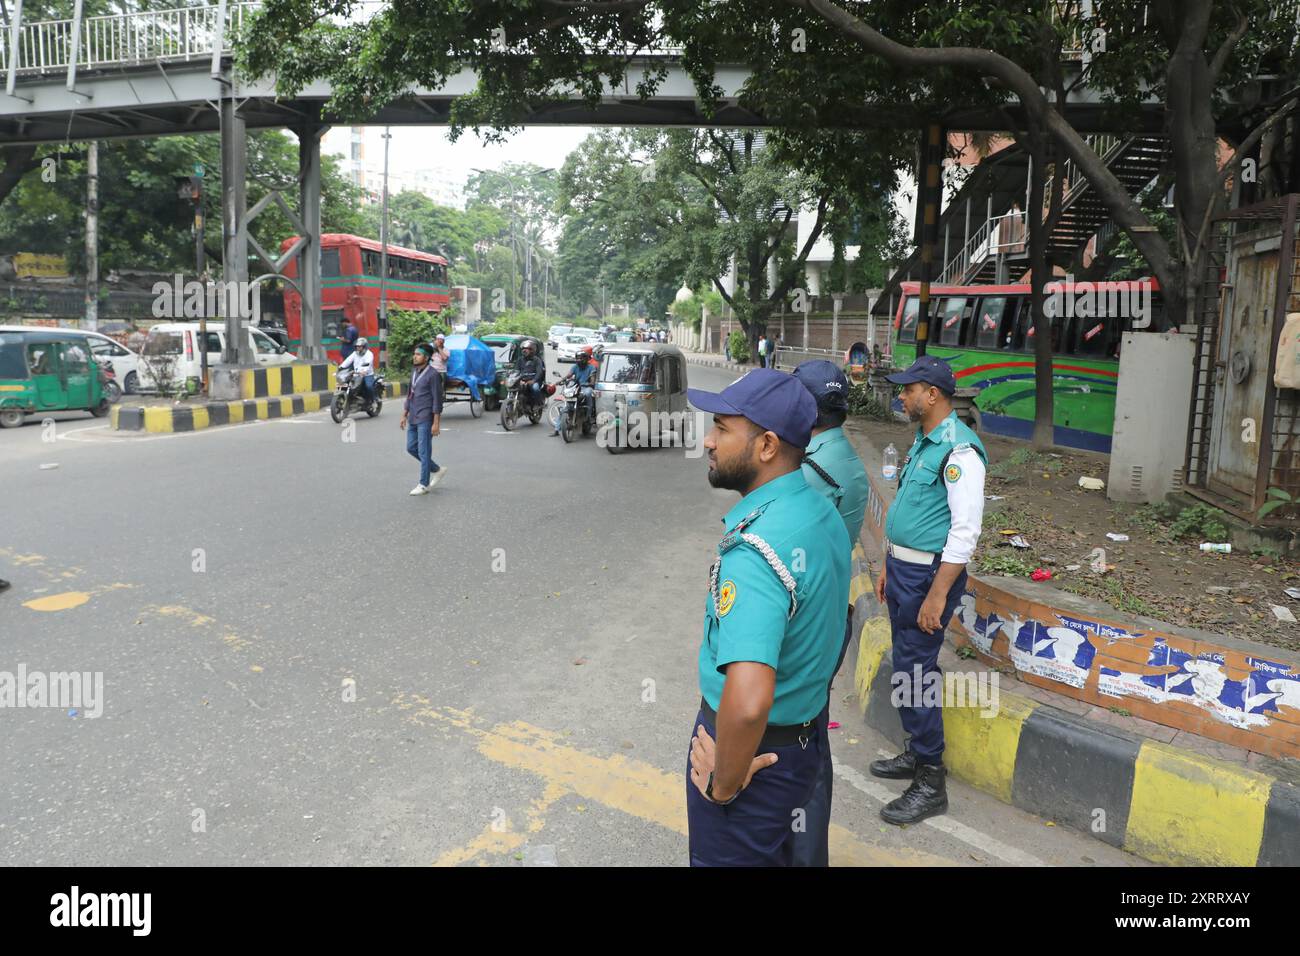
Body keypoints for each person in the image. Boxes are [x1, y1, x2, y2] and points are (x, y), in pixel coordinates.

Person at [682, 369, 851, 867]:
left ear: (767, 446)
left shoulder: (756, 550)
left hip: (753, 763)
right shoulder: (818, 513)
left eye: (722, 428)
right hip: (802, 744)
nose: (708, 441)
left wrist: (724, 784)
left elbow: (750, 702)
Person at [872, 355, 986, 825]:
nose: (901, 395)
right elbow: (907, 510)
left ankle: (930, 781)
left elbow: (965, 533)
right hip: (903, 571)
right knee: (907, 665)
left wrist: (937, 596)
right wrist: (886, 563)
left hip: (927, 580)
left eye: (908, 389)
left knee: (916, 673)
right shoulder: (925, 439)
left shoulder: (960, 452)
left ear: (932, 395)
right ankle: (917, 753)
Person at [787, 360, 869, 866]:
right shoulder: (846, 460)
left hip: (806, 627)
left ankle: (803, 852)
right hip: (829, 616)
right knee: (808, 733)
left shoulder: (813, 474)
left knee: (802, 743)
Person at [400, 342, 446, 495]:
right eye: (415, 353)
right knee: (411, 448)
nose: (415, 356)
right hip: (413, 415)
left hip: (426, 418)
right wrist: (404, 414)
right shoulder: (414, 372)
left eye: (418, 354)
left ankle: (424, 484)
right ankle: (437, 469)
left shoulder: (433, 375)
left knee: (424, 451)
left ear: (426, 358)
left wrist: (436, 423)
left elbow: (437, 400)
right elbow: (409, 395)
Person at [550, 345, 598, 436]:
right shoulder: (575, 367)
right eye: (578, 358)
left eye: (581, 358)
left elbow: (592, 379)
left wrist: (590, 383)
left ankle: (588, 414)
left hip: (585, 387)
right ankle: (556, 429)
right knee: (565, 407)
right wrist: (560, 381)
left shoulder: (591, 368)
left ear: (586, 359)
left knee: (588, 393)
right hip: (576, 387)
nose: (579, 360)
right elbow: (569, 375)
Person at [337, 336, 376, 405]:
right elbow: (348, 360)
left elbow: (368, 364)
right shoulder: (355, 353)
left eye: (360, 346)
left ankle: (373, 400)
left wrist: (364, 371)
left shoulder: (369, 354)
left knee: (368, 386)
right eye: (357, 346)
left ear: (364, 347)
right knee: (348, 384)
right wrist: (341, 367)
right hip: (356, 374)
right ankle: (353, 399)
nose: (358, 348)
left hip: (367, 374)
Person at [516, 339, 546, 408]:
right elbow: (516, 371)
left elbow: (539, 372)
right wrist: (518, 380)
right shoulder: (520, 360)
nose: (525, 350)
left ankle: (538, 403)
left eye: (527, 349)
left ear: (532, 350)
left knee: (535, 388)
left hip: (533, 381)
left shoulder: (537, 360)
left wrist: (533, 381)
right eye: (524, 349)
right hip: (522, 380)